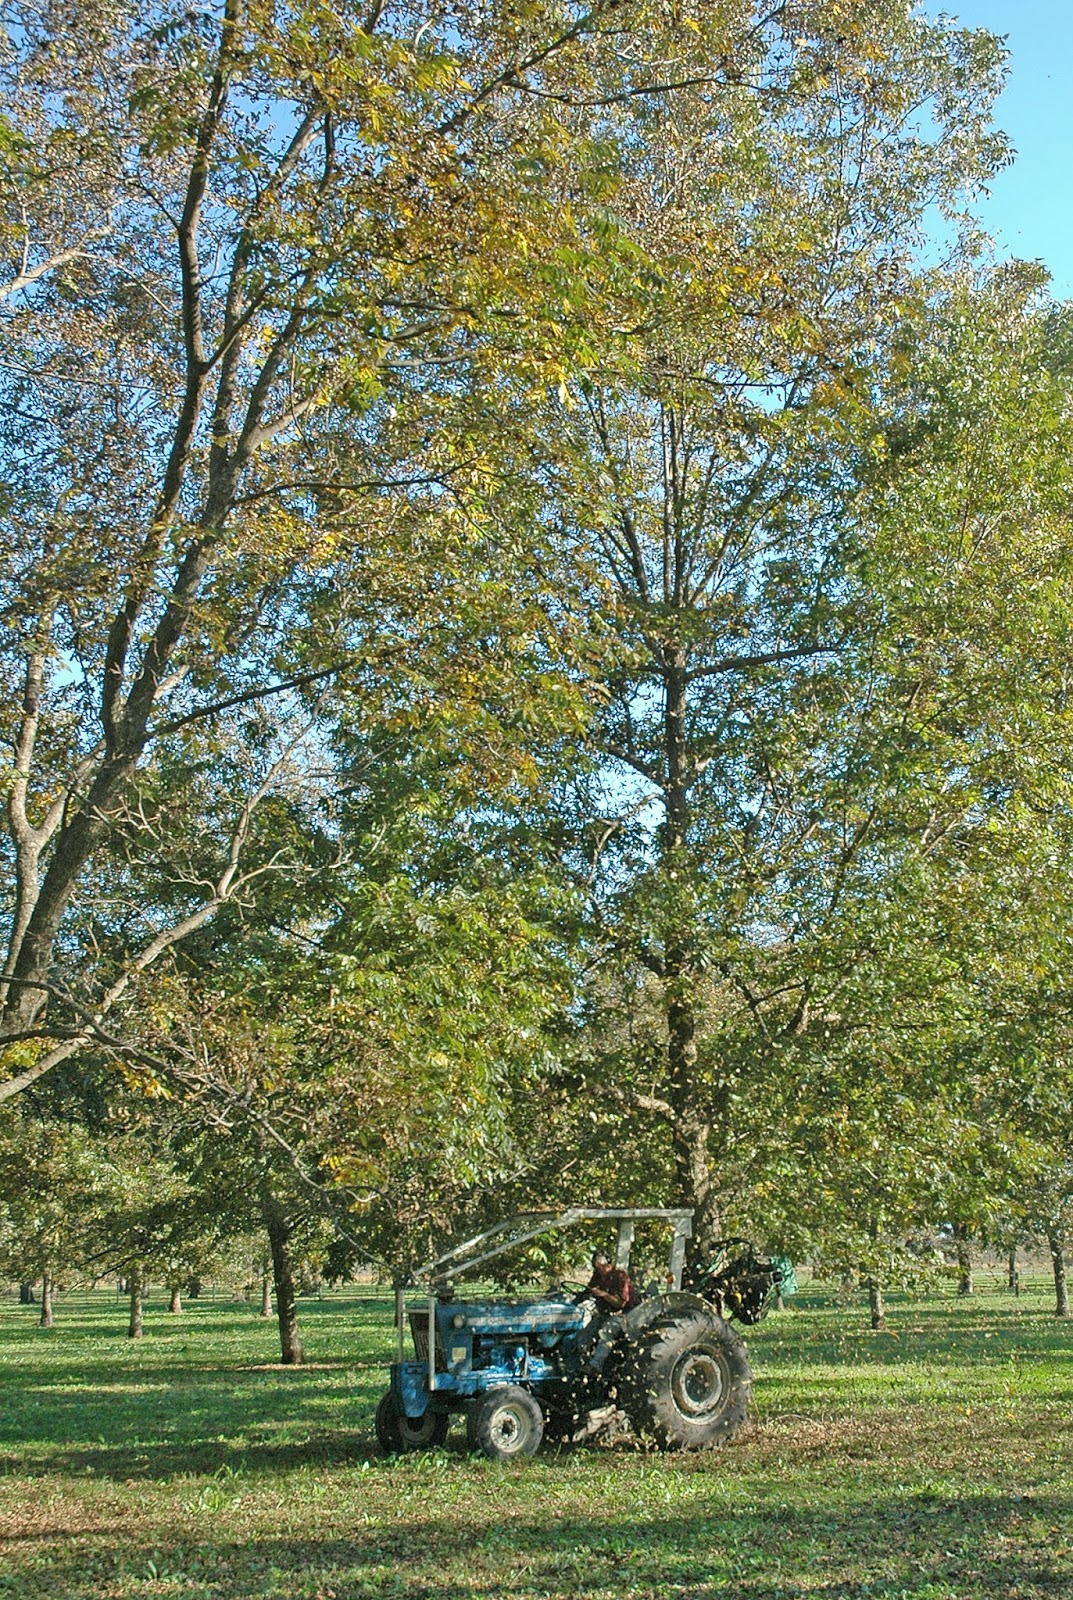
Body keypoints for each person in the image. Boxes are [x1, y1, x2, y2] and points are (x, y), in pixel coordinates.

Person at [583, 1249, 638, 1314]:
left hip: (626, 1312)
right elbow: (589, 1289)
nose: (600, 1270)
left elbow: (621, 1303)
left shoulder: (620, 1276)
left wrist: (604, 1294)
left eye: (602, 1267)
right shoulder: (597, 1275)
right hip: (604, 1310)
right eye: (597, 1268)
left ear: (608, 1265)